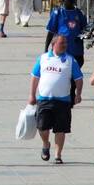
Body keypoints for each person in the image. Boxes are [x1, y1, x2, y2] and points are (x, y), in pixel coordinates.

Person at [31, 34, 84, 164]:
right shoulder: (43, 58)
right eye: (62, 43)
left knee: (61, 129)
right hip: (44, 99)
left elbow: (79, 79)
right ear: (53, 44)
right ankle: (45, 144)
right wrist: (32, 95)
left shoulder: (70, 60)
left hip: (63, 100)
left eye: (66, 43)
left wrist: (78, 94)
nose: (65, 45)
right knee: (42, 127)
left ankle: (58, 155)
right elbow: (35, 77)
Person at [45, 0, 88, 67]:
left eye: (72, 0)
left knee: (77, 65)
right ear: (63, 1)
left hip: (76, 48)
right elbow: (51, 31)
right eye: (68, 0)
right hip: (61, 48)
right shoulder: (58, 12)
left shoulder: (79, 13)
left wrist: (84, 36)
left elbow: (85, 29)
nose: (71, 2)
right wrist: (46, 48)